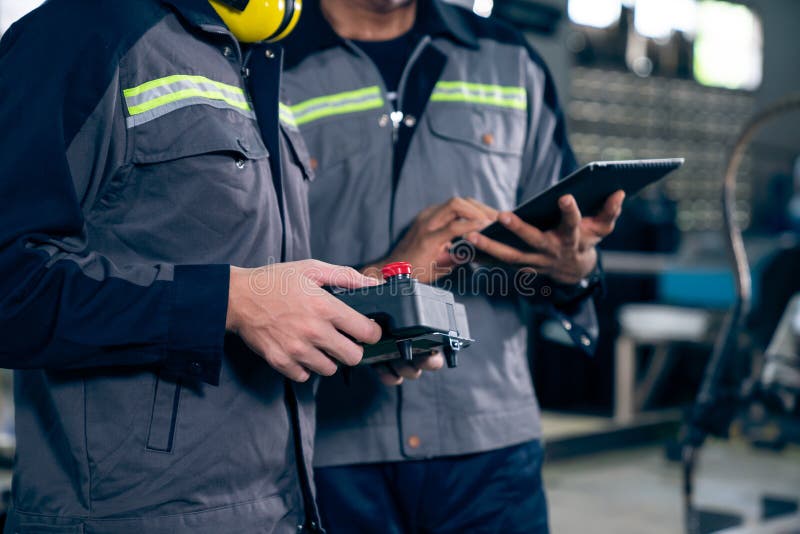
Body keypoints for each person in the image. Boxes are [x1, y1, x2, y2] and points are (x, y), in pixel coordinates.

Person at [0, 0, 418, 531]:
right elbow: (10, 285)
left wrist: (351, 331)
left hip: (280, 509)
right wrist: (229, 302)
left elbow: (259, 295)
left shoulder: (254, 59)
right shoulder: (84, 33)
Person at [282, 0, 624, 531]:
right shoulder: (268, 62)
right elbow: (247, 281)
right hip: (326, 448)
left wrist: (573, 269)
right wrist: (390, 274)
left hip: (489, 454)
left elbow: (557, 255)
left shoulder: (511, 62)